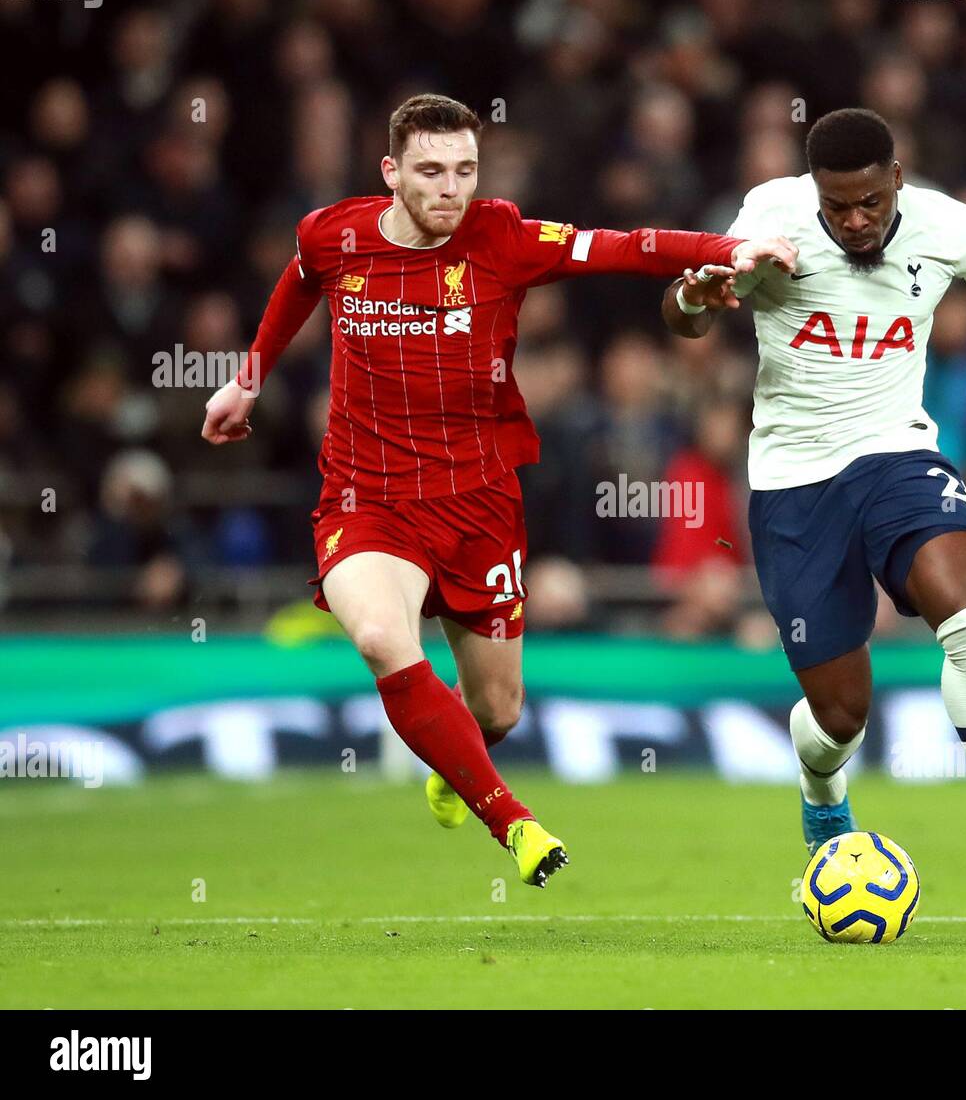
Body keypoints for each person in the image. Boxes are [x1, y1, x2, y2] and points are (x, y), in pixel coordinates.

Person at [202, 93, 796, 888]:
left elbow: (621, 246)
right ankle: (515, 824)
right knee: (383, 638)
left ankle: (455, 757)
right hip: (365, 497)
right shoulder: (333, 234)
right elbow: (300, 280)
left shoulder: (503, 238)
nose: (450, 189)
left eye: (465, 171)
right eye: (431, 171)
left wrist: (729, 247)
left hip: (478, 502)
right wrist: (247, 379)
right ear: (392, 172)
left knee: (497, 712)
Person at [661, 108, 966, 917]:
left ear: (896, 179)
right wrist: (697, 295)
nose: (856, 220)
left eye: (870, 201)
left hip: (898, 453)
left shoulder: (951, 227)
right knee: (840, 716)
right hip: (794, 481)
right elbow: (685, 316)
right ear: (815, 194)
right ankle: (821, 790)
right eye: (839, 207)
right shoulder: (771, 217)